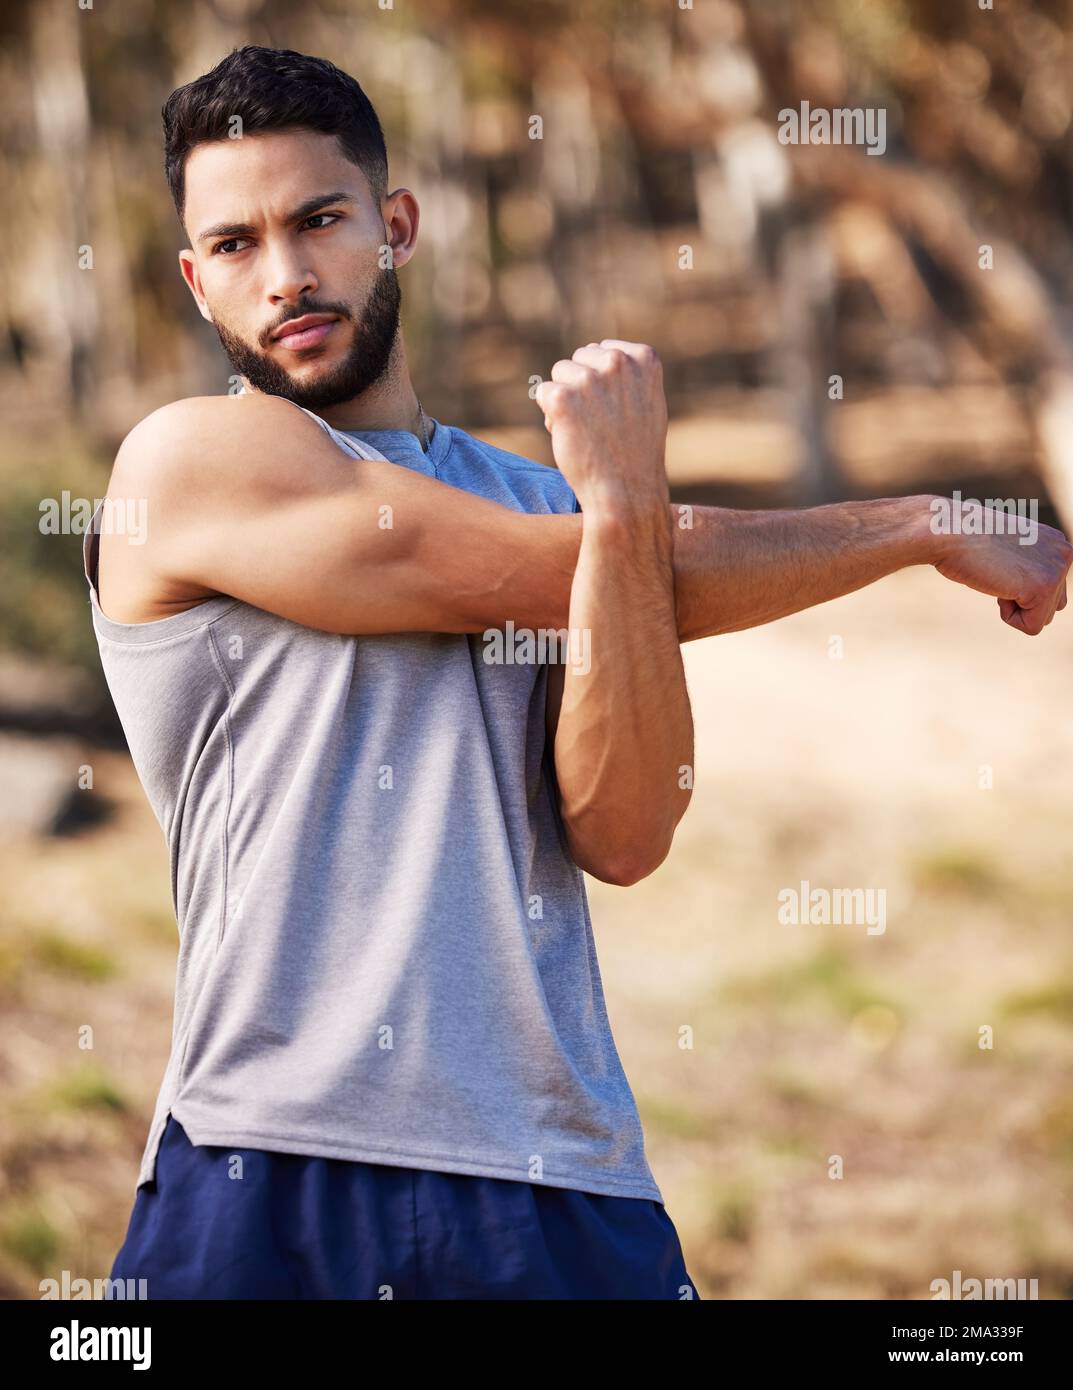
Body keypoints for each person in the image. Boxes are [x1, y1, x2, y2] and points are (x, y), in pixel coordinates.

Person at [89, 46, 1070, 1301]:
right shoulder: (183, 466)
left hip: (561, 1177)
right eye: (233, 244)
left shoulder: (559, 510)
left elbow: (623, 828)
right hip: (270, 1166)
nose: (283, 276)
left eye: (319, 220)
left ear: (394, 226)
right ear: (193, 276)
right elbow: (536, 564)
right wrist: (918, 523)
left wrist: (612, 516)